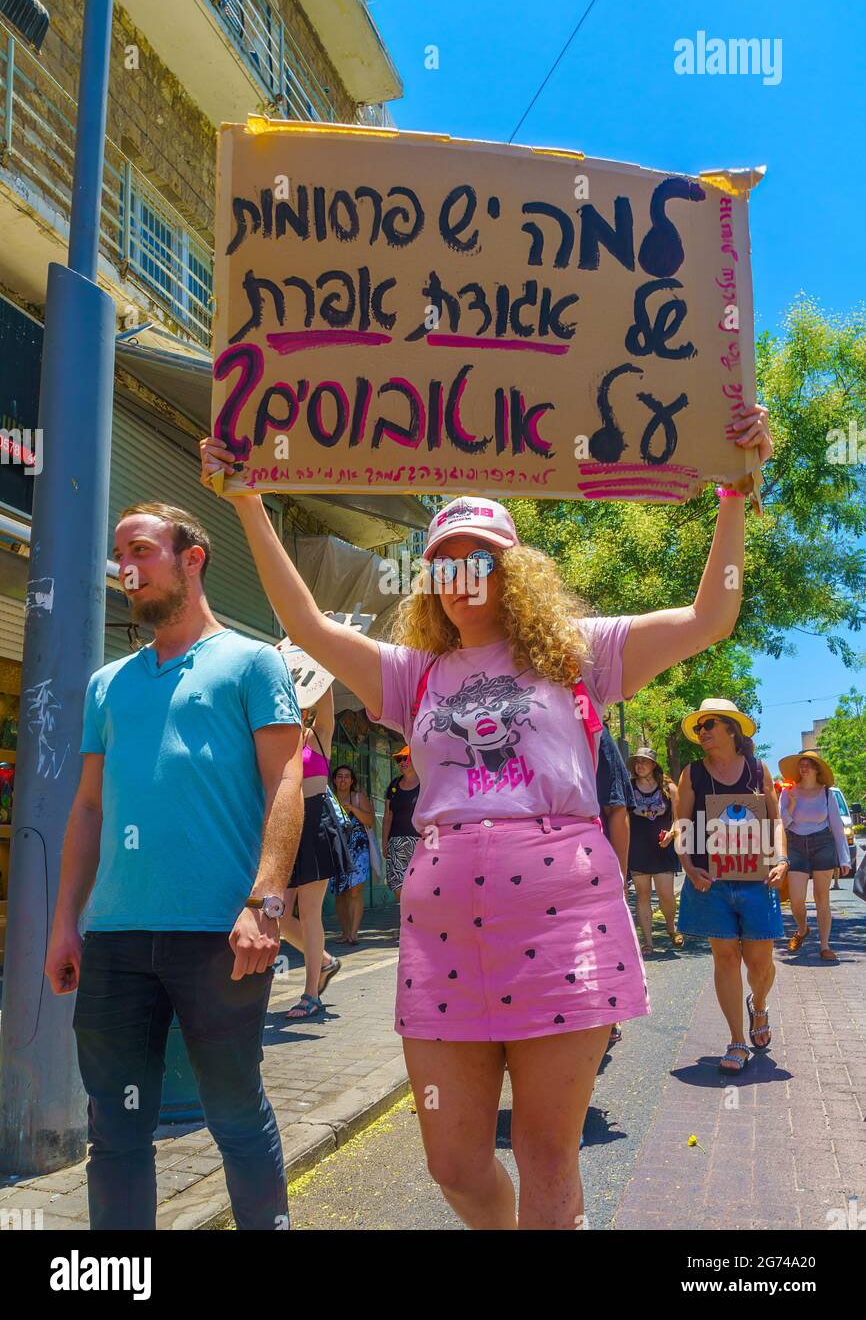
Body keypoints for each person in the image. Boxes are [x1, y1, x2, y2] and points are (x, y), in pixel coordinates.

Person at [200, 401, 771, 1231]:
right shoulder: (412, 674)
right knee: (456, 1163)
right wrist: (247, 496)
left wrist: (730, 500)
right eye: (444, 561)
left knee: (547, 1158)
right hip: (442, 941)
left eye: (481, 558)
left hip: (566, 925)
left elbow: (708, 617)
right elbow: (306, 625)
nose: (461, 573)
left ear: (514, 572)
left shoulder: (578, 650)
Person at [44, 502, 303, 1231]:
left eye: (143, 549)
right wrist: (67, 923)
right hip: (118, 941)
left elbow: (286, 783)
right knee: (116, 1131)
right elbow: (89, 810)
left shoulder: (253, 662)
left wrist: (266, 904)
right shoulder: (107, 684)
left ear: (193, 558)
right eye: (120, 554)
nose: (127, 567)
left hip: (219, 935)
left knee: (233, 1115)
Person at [675, 698, 788, 1075]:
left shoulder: (758, 769)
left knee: (760, 965)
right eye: (700, 726)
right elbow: (682, 825)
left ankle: (758, 1003)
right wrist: (688, 867)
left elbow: (774, 821)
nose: (703, 732)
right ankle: (737, 1039)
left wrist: (783, 859)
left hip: (757, 880)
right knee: (724, 957)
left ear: (731, 730)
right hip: (713, 882)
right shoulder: (692, 773)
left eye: (710, 725)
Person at [278, 685, 343, 1018]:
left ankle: (310, 995)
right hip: (287, 826)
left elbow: (325, 699)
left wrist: (309, 659)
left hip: (316, 823)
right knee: (277, 916)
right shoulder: (276, 741)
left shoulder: (319, 735)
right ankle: (327, 961)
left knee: (310, 912)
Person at [778, 749, 851, 961]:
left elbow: (837, 826)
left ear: (816, 769)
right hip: (796, 844)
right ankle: (802, 929)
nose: (804, 767)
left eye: (808, 763)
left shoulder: (827, 792)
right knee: (797, 900)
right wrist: (791, 805)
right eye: (801, 763)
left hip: (823, 844)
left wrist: (844, 858)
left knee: (822, 898)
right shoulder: (788, 793)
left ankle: (825, 946)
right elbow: (783, 823)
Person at [595, 723, 633, 1048]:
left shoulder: (593, 728)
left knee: (601, 945)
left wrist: (619, 878)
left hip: (593, 864)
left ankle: (609, 1011)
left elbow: (616, 809)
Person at [627, 747, 682, 955]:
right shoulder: (628, 787)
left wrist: (672, 833)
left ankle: (671, 927)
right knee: (642, 895)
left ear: (653, 765)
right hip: (638, 849)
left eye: (644, 761)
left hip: (663, 849)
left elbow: (679, 819)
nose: (640, 765)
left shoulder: (669, 788)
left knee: (666, 895)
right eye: (637, 762)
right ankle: (648, 942)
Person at [331, 764, 375, 944]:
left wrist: (353, 809)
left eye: (347, 776)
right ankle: (345, 932)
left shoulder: (358, 797)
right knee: (340, 892)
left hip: (358, 849)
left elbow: (371, 821)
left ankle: (354, 933)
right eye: (339, 776)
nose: (343, 779)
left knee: (355, 891)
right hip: (336, 848)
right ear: (334, 780)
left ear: (352, 780)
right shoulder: (328, 798)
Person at [381, 746, 421, 902]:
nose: (402, 762)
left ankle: (418, 922)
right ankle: (407, 920)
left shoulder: (426, 783)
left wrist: (435, 843)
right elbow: (387, 817)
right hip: (396, 843)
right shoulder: (394, 785)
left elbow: (433, 815)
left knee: (420, 886)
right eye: (399, 759)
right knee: (398, 886)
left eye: (406, 758)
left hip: (421, 843)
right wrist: (384, 844)